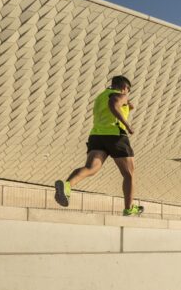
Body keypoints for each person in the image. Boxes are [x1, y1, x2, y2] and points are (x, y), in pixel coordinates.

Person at [55, 75, 144, 216]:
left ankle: (67, 186)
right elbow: (114, 105)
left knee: (91, 168)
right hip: (115, 135)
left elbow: (114, 105)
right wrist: (127, 125)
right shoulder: (119, 96)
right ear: (124, 88)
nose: (128, 93)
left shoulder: (101, 96)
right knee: (129, 174)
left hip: (96, 136)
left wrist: (127, 105)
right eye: (128, 90)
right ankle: (129, 209)